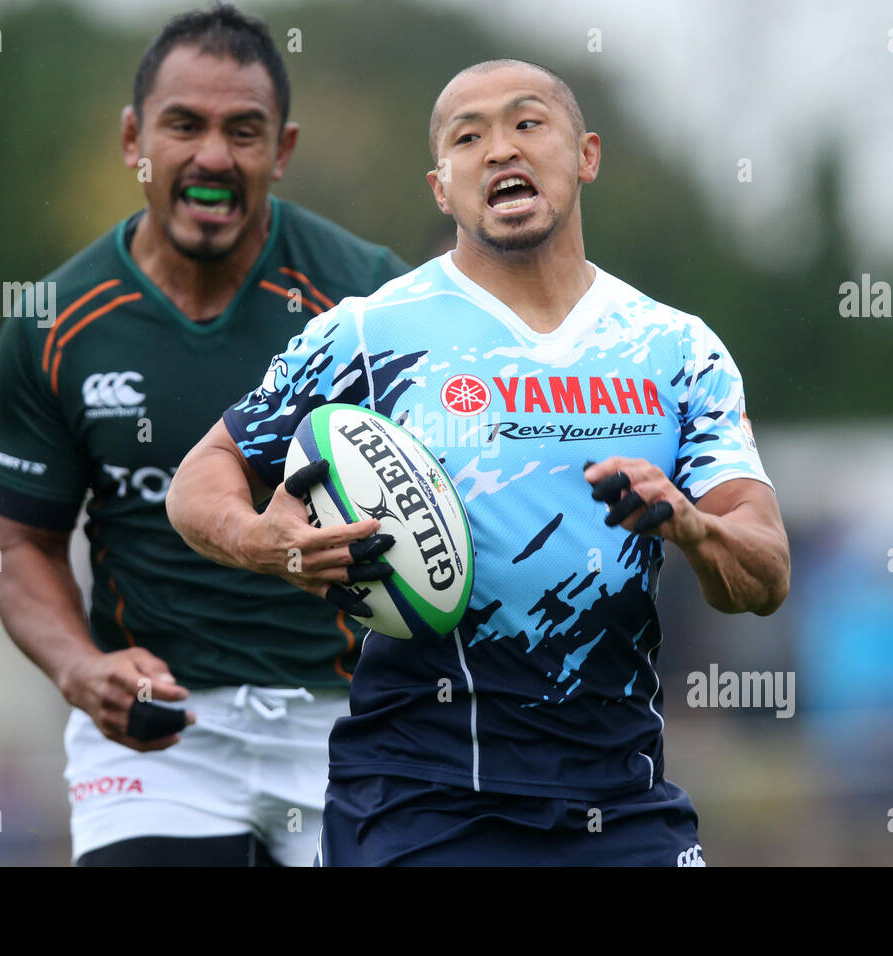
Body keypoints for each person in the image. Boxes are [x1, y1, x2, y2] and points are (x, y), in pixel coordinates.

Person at [165, 58, 790, 865]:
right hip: (417, 801)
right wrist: (264, 540)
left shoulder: (677, 349)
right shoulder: (365, 334)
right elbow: (199, 479)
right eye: (469, 136)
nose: (500, 149)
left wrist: (694, 527)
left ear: (586, 156)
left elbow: (765, 572)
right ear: (441, 186)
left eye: (528, 124)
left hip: (620, 802)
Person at [0, 3, 407, 867]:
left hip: (348, 724)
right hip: (159, 735)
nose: (212, 155)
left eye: (243, 131)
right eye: (184, 125)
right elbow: (16, 540)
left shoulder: (370, 303)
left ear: (281, 151)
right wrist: (76, 667)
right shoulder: (56, 322)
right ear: (135, 138)